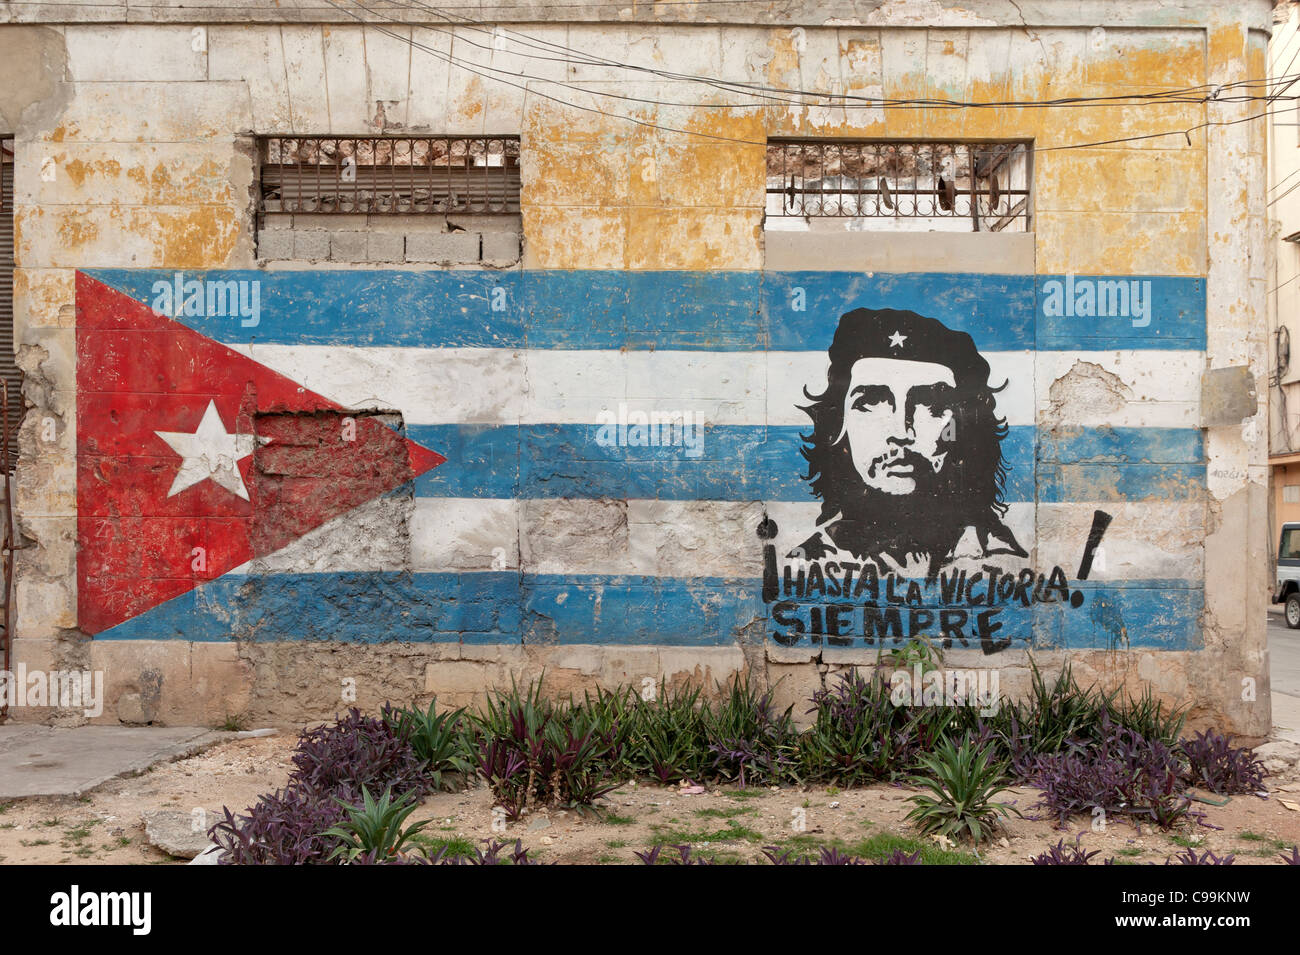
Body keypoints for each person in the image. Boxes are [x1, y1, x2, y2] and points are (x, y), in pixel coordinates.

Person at [794, 306, 1026, 580]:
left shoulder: (1001, 564)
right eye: (870, 401)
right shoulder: (809, 566)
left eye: (931, 403)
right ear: (838, 427)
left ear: (964, 429)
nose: (902, 431)